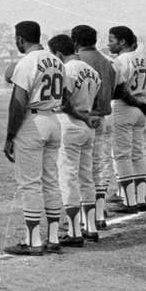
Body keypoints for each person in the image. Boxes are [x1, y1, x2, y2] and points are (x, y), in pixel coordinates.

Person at [3, 20, 65, 254]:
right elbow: (65, 95)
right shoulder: (57, 61)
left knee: (30, 184)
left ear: (20, 39)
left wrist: (10, 135)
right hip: (52, 118)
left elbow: (18, 102)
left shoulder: (26, 62)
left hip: (33, 121)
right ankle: (53, 238)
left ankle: (33, 241)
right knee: (51, 181)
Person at [48, 35, 100, 245]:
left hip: (70, 122)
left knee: (68, 176)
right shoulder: (92, 70)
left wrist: (82, 116)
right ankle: (91, 226)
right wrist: (86, 117)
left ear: (59, 54)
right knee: (86, 176)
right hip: (87, 125)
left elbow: (65, 102)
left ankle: (74, 231)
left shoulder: (66, 69)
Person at [69, 26, 115, 230]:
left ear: (76, 41)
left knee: (79, 170)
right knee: (98, 166)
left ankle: (84, 218)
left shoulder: (77, 62)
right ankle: (98, 214)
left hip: (83, 117)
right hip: (103, 116)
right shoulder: (107, 61)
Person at [107, 27, 146, 212]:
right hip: (142, 105)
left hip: (125, 106)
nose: (108, 44)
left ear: (122, 42)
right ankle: (141, 197)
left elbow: (118, 90)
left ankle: (128, 201)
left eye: (111, 40)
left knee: (122, 155)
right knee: (138, 153)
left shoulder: (118, 61)